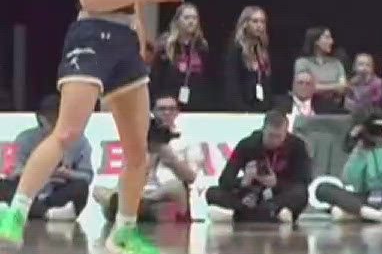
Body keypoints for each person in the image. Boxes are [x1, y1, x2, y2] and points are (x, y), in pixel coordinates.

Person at [0, 0, 183, 254]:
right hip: (91, 35)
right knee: (67, 131)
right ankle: (15, 208)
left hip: (123, 44)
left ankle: (126, 230)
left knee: (138, 149)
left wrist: (140, 30)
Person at [94, 95, 196, 224]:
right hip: (138, 189)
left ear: (177, 112)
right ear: (153, 112)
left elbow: (190, 177)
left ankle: (136, 202)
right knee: (98, 190)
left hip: (162, 193)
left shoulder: (185, 140)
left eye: (171, 109)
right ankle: (128, 203)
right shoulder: (139, 137)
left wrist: (170, 158)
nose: (167, 113)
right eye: (162, 109)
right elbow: (130, 173)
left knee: (175, 186)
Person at [315, 103, 382, 222]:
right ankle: (375, 214)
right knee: (323, 189)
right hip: (365, 196)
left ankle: (354, 213)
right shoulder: (365, 147)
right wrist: (359, 151)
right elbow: (349, 179)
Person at [206, 110, 313, 223]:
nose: (274, 141)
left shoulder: (297, 146)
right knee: (212, 193)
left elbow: (303, 180)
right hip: (251, 193)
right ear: (263, 130)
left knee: (301, 194)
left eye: (279, 137)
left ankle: (239, 215)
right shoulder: (247, 144)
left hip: (279, 195)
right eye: (271, 136)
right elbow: (224, 180)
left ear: (286, 133)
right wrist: (245, 180)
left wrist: (276, 183)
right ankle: (272, 215)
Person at [0, 94, 93, 221]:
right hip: (29, 192)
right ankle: (47, 213)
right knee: (4, 186)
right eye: (50, 118)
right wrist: (39, 173)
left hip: (57, 192)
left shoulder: (80, 141)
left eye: (58, 117)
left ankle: (33, 211)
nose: (54, 123)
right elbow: (14, 170)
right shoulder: (26, 139)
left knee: (81, 187)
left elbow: (87, 175)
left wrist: (68, 174)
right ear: (40, 118)